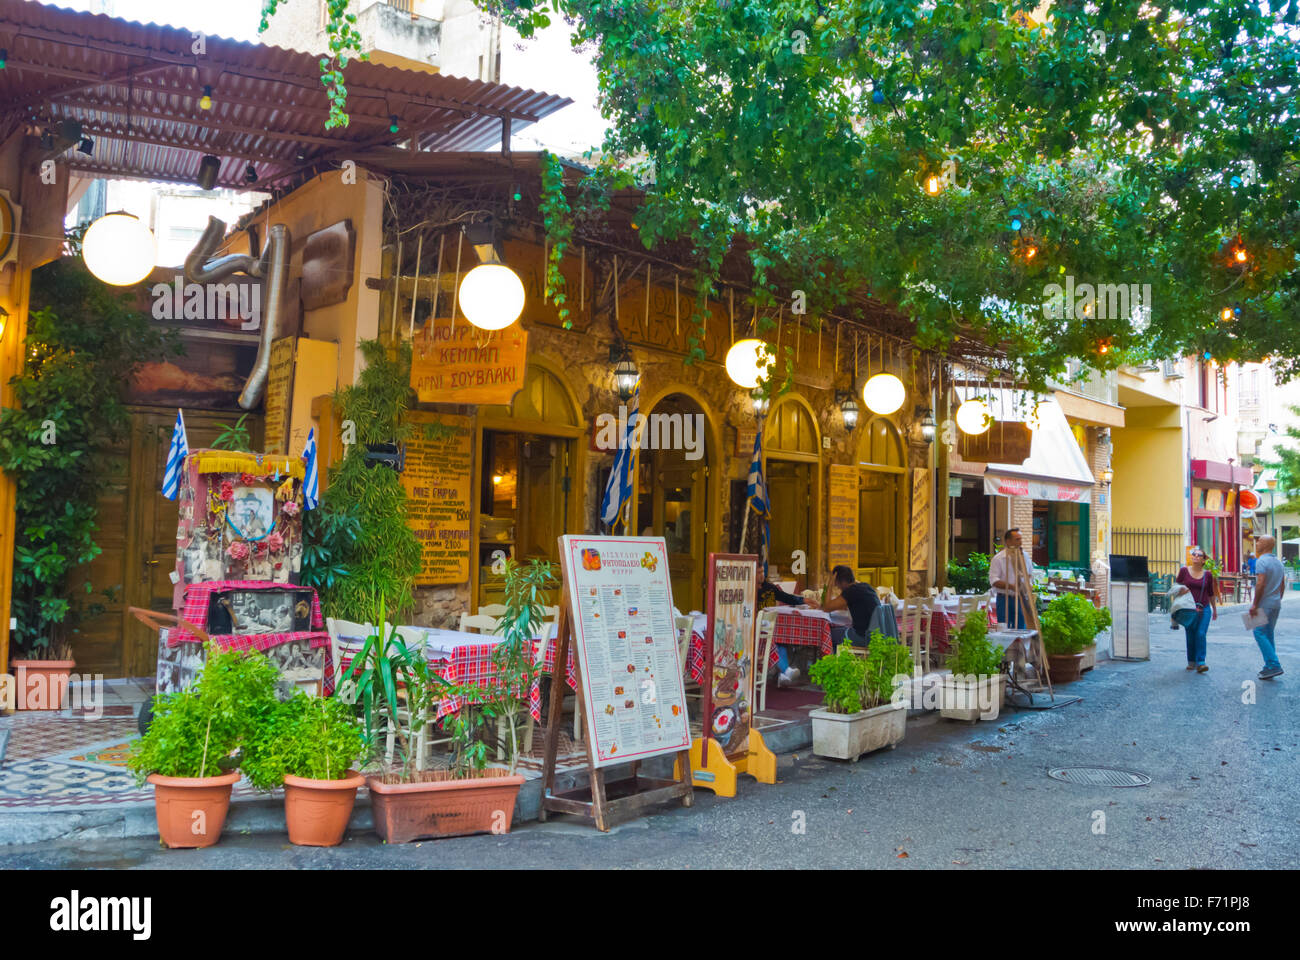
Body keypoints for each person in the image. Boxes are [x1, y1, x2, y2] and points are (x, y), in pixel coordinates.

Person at [1172, 546, 1217, 673]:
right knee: (1190, 635)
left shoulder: (1207, 574)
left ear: (1203, 560)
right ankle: (1191, 661)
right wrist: (1181, 590)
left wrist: (1214, 609)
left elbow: (1211, 593)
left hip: (1204, 608)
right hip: (1189, 608)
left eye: (1199, 555)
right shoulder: (1184, 571)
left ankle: (1201, 662)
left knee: (1201, 633)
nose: (1195, 556)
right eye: (1194, 554)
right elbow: (1176, 587)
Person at [758, 579, 808, 687]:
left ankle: (785, 674)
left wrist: (803, 600)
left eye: (762, 571)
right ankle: (786, 671)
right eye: (758, 572)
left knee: (779, 639)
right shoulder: (751, 588)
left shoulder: (769, 587)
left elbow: (785, 597)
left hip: (768, 628)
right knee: (772, 639)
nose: (761, 575)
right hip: (755, 631)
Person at [1249, 535, 1285, 680]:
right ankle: (1269, 667)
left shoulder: (1261, 561)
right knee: (1268, 633)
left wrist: (1255, 604)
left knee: (1258, 632)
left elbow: (1260, 583)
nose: (1257, 543)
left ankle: (1274, 664)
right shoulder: (1278, 562)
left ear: (1266, 545)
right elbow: (1282, 585)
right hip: (1275, 603)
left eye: (1260, 541)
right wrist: (1277, 599)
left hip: (1264, 604)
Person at [818, 565, 880, 646]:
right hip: (876, 635)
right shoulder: (866, 586)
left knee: (827, 635)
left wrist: (830, 583)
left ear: (842, 582)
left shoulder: (851, 591)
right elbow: (844, 606)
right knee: (839, 630)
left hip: (862, 637)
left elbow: (827, 608)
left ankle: (836, 658)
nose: (837, 587)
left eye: (837, 584)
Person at [989, 528, 1030, 629]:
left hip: (1020, 599)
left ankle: (1020, 645)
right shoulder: (998, 558)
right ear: (1008, 541)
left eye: (1021, 539)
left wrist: (1028, 587)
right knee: (1004, 628)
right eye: (1017, 539)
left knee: (1021, 628)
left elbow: (1029, 575)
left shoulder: (1025, 556)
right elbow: (993, 580)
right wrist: (1011, 587)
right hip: (1004, 598)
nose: (1020, 542)